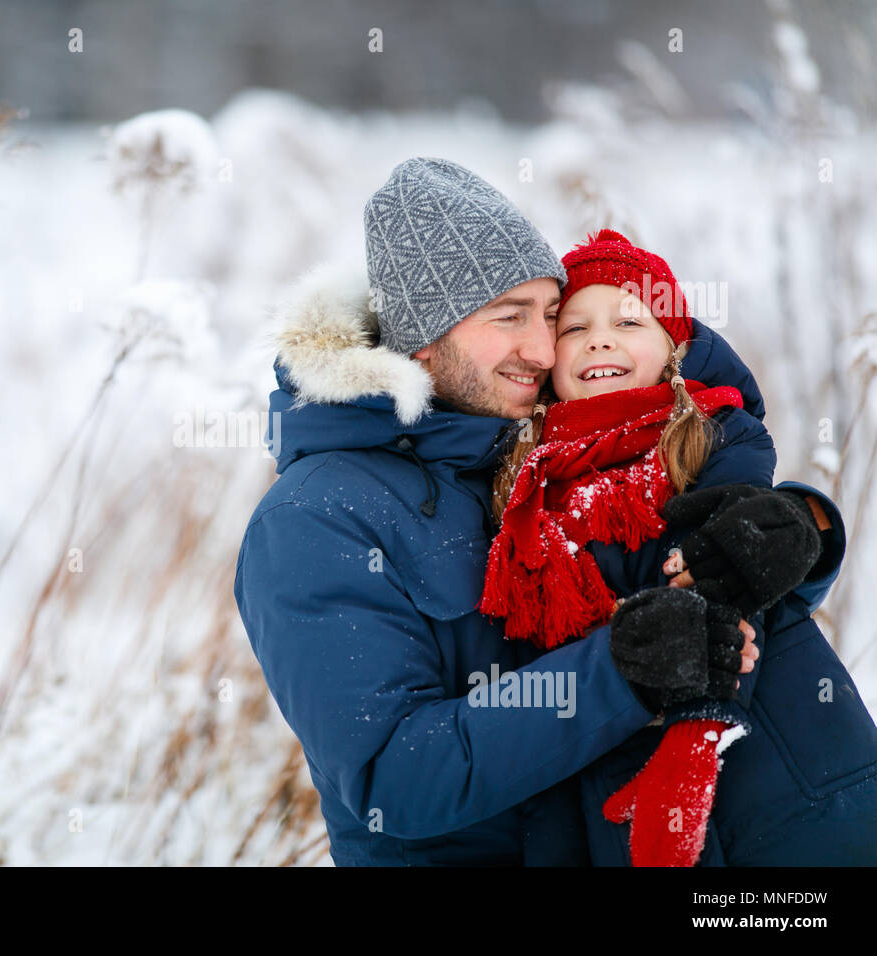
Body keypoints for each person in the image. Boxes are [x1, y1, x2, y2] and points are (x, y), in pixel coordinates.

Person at [233, 157, 833, 865]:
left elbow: (685, 550)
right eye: (509, 317)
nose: (545, 348)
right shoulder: (314, 519)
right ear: (423, 335)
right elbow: (393, 778)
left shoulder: (541, 442)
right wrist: (623, 672)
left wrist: (797, 535)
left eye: (551, 315)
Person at [481, 229, 877, 865]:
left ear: (674, 347)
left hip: (784, 782)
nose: (599, 339)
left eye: (628, 321)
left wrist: (693, 738)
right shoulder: (524, 483)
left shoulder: (711, 438)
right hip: (612, 795)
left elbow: (731, 584)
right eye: (574, 329)